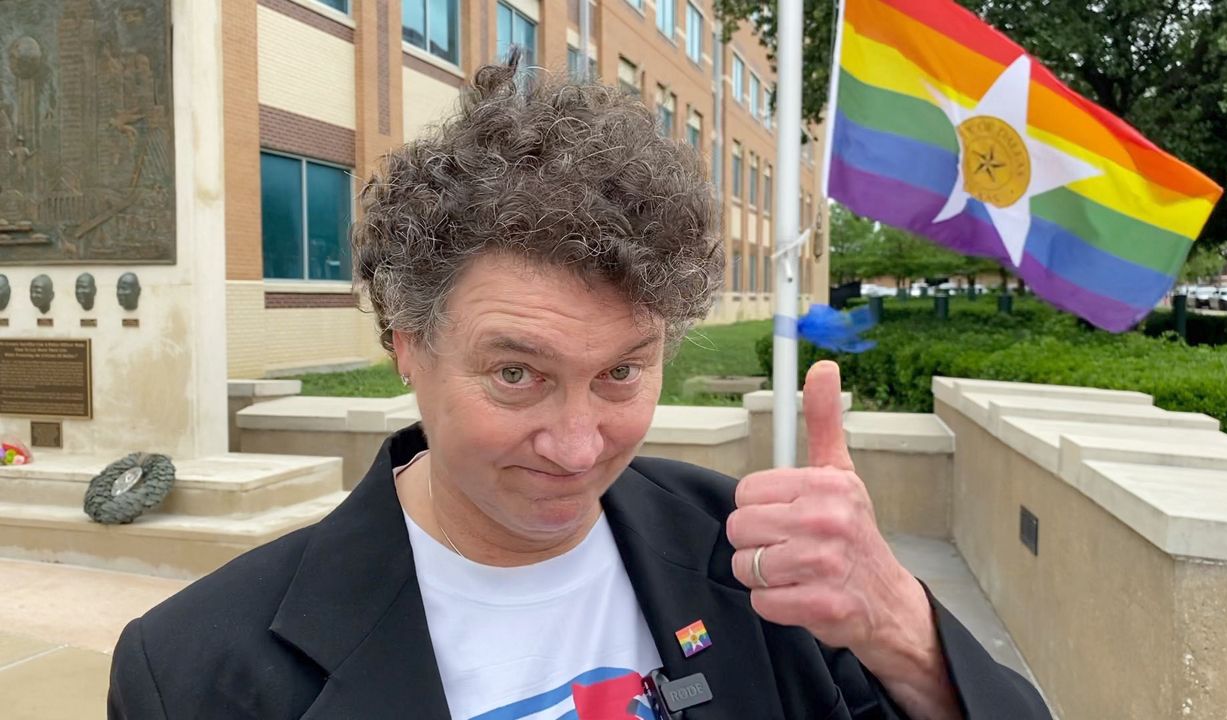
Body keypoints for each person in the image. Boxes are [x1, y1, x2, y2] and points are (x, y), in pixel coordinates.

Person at [108, 59, 1051, 719]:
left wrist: (896, 621)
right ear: (406, 343)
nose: (577, 444)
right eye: (516, 375)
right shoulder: (199, 670)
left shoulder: (756, 560)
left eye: (621, 373)